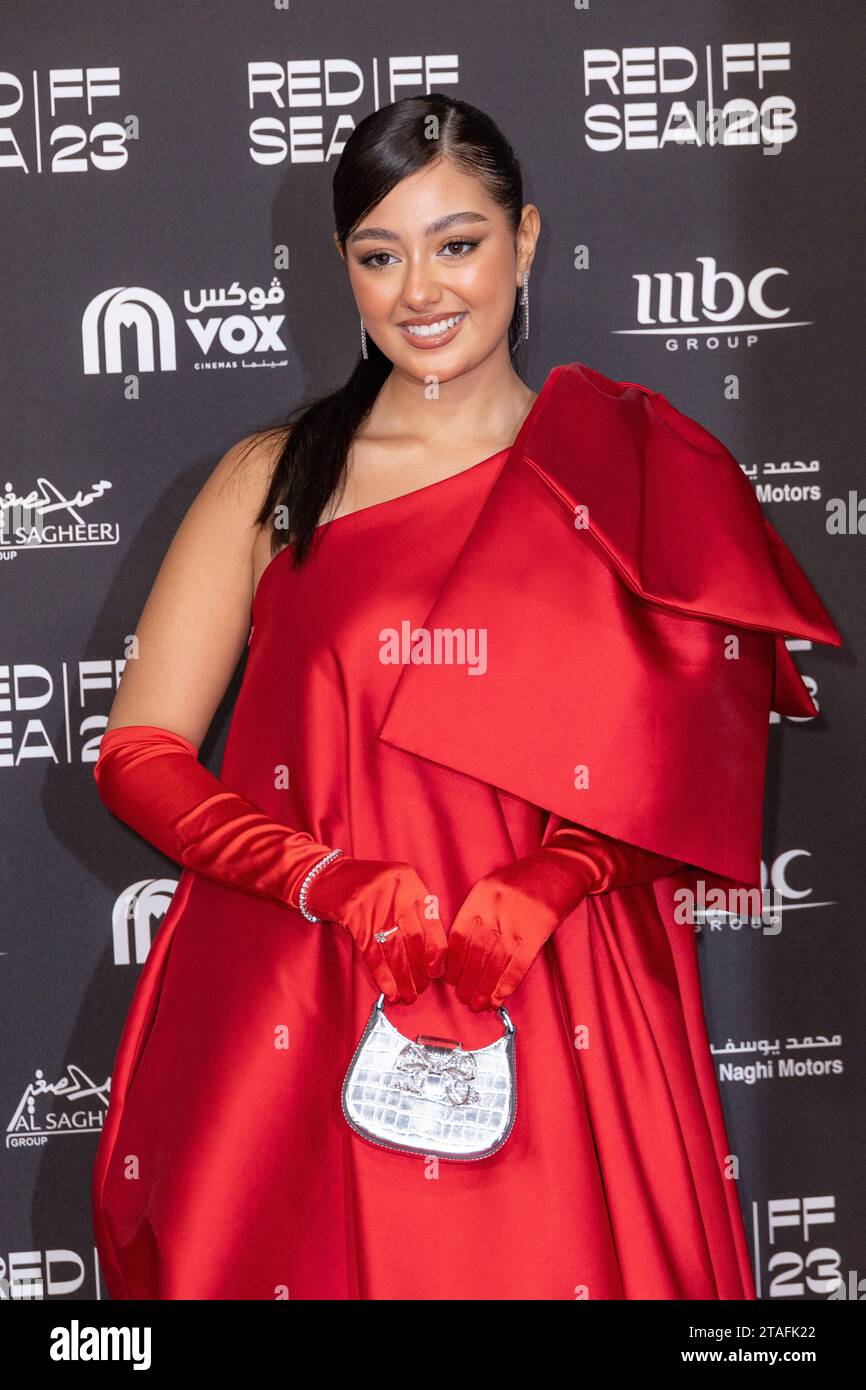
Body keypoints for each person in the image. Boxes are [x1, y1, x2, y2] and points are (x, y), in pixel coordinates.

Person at [90, 94, 841, 1301]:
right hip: (314, 988)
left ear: (525, 240)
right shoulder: (273, 482)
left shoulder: (633, 472)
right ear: (342, 268)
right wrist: (317, 875)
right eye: (379, 256)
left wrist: (566, 874)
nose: (420, 290)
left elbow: (688, 771)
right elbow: (140, 749)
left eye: (457, 243)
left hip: (560, 995)